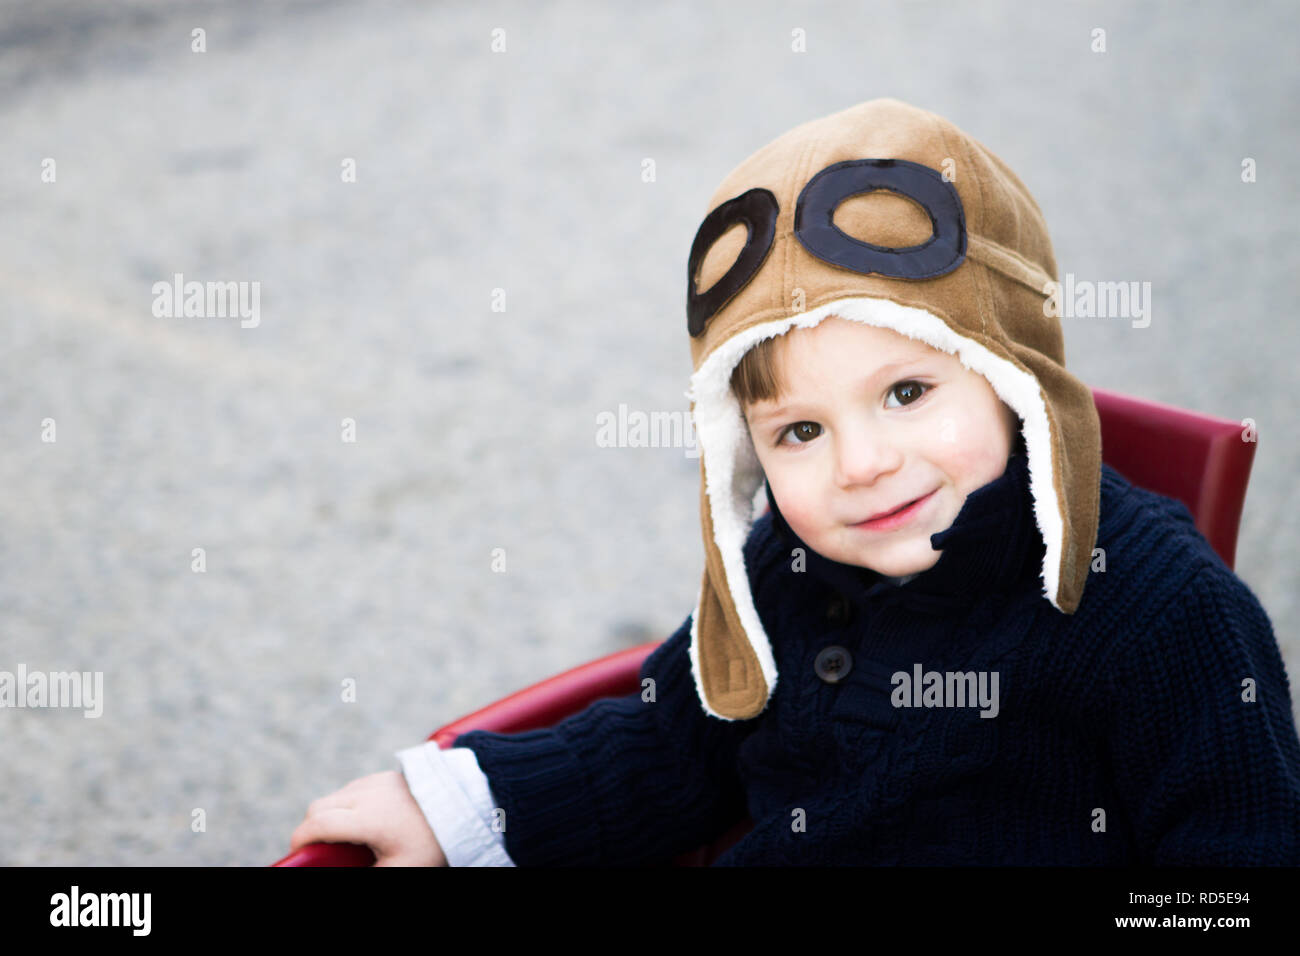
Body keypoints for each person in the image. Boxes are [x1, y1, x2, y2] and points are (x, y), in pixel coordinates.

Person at [288, 97, 1300, 866]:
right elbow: (667, 742)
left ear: (1009, 377)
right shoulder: (790, 558)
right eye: (800, 430)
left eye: (906, 391)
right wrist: (465, 805)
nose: (860, 464)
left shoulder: (1163, 614)